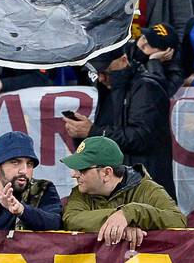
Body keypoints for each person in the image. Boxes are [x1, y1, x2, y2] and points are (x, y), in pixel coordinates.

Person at [64, 28, 178, 198]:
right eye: (97, 73)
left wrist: (93, 131)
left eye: (105, 72)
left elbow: (141, 138)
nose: (101, 78)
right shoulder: (109, 89)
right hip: (118, 186)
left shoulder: (147, 87)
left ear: (123, 60)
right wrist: (81, 133)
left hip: (147, 189)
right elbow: (107, 138)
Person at [60, 135, 186, 245]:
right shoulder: (81, 192)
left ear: (106, 173)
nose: (74, 174)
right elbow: (71, 219)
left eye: (82, 169)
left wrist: (131, 212)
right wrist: (119, 223)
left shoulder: (148, 189)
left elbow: (178, 221)